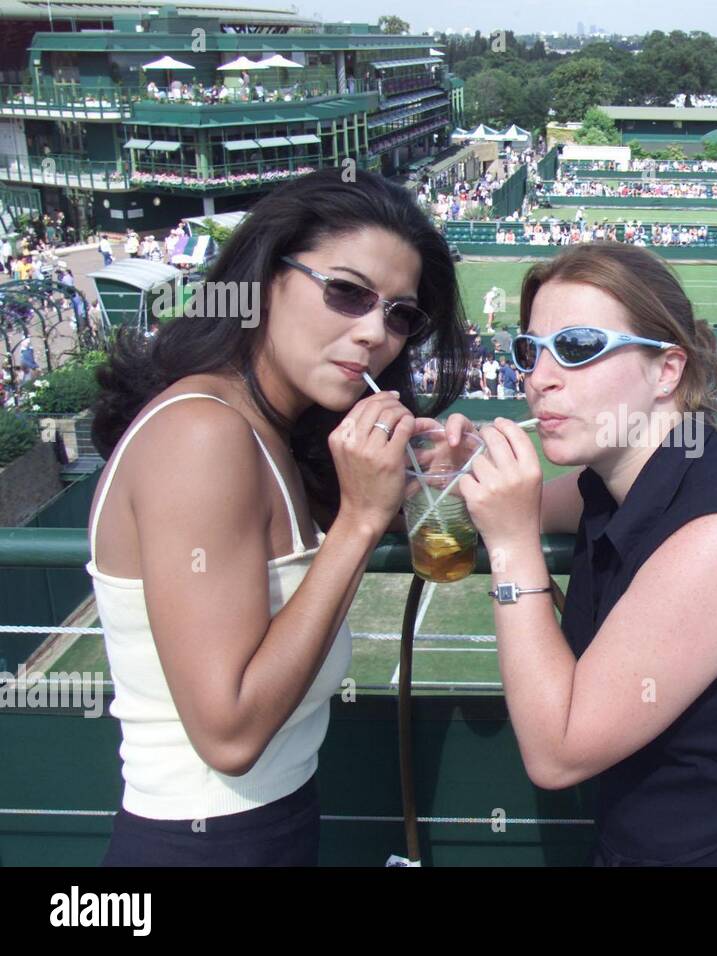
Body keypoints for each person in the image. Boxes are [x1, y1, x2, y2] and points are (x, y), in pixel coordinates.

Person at [87, 169, 469, 866]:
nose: (373, 335)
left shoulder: (275, 437)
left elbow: (445, 518)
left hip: (266, 833)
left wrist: (439, 479)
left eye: (399, 315)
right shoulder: (203, 435)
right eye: (346, 293)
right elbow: (228, 737)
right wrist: (356, 521)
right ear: (265, 280)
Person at [446, 242, 717, 866]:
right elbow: (512, 504)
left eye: (578, 347)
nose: (538, 378)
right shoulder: (626, 475)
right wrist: (451, 473)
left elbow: (557, 751)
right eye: (529, 350)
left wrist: (512, 548)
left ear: (667, 370)